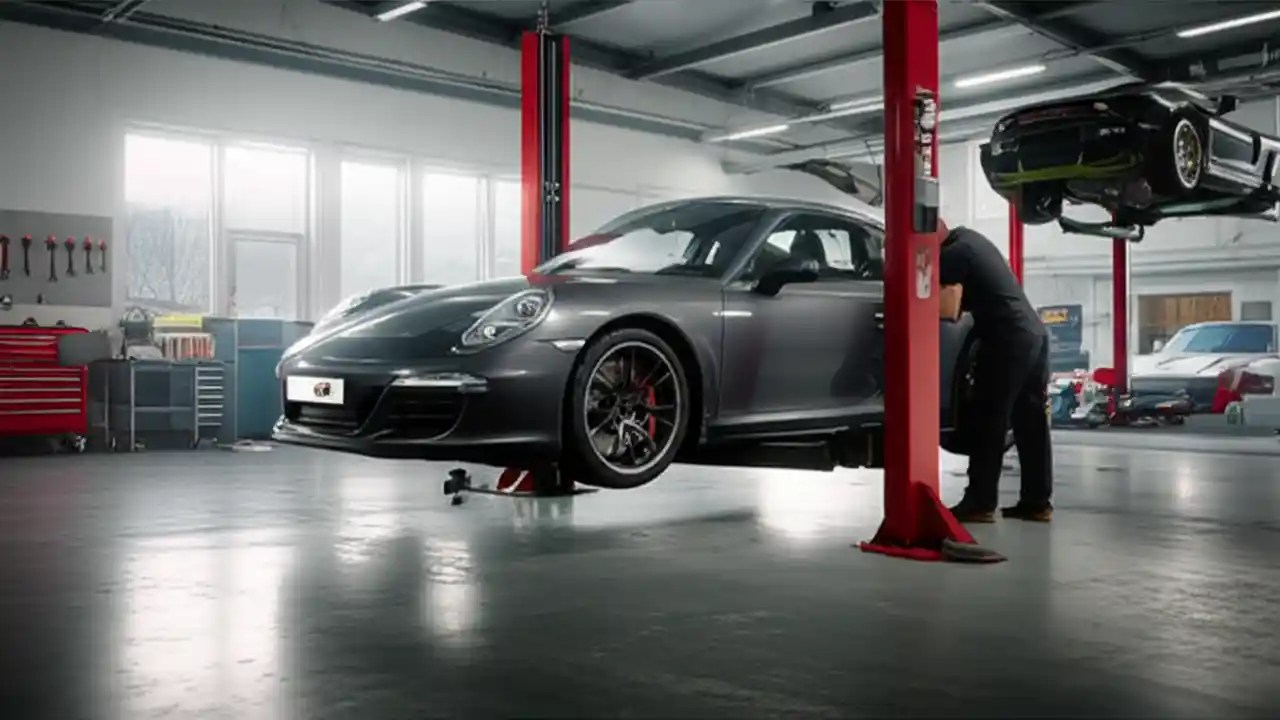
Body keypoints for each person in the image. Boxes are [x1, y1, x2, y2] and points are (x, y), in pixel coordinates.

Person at [937, 220, 1053, 523]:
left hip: (1007, 337)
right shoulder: (973, 240)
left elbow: (947, 308)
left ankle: (980, 502)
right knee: (1031, 422)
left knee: (990, 417)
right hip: (1035, 333)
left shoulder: (952, 253)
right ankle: (1037, 502)